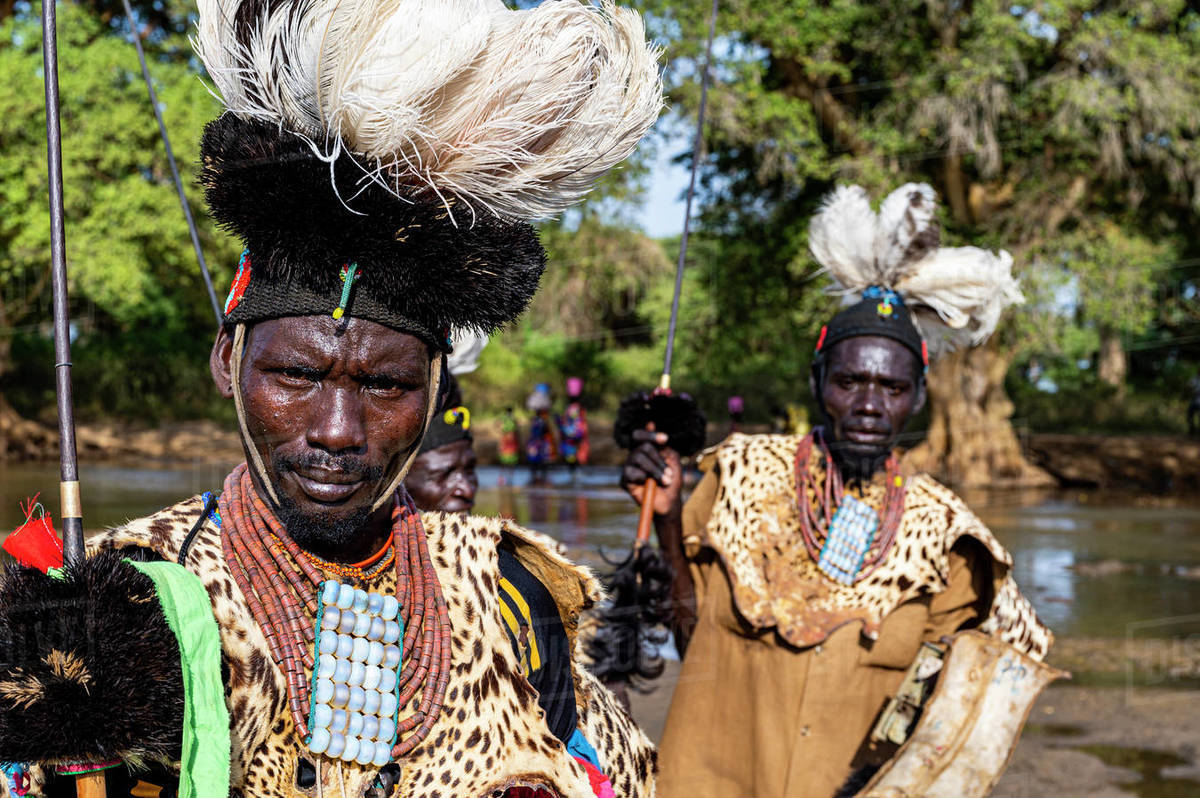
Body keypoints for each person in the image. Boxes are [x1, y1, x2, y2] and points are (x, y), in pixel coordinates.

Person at [0, 1, 662, 796]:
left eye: (385, 385)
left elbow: (611, 772)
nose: (339, 432)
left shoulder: (506, 591)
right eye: (297, 377)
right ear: (227, 361)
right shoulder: (126, 593)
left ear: (434, 388)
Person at [620, 184, 1057, 797]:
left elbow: (957, 715)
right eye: (850, 381)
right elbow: (688, 632)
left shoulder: (945, 536)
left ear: (919, 395)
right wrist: (666, 518)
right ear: (817, 379)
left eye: (892, 387)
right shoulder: (741, 477)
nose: (871, 406)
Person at [557, 377, 590, 481]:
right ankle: (575, 477)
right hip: (575, 436)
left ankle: (574, 476)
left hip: (572, 437)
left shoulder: (572, 408)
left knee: (572, 458)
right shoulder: (580, 408)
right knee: (575, 458)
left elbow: (570, 423)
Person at [525, 384, 557, 485]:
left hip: (534, 443)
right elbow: (545, 431)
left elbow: (531, 432)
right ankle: (542, 478)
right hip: (540, 443)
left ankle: (535, 478)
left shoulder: (534, 420)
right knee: (543, 463)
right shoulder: (543, 421)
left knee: (534, 463)